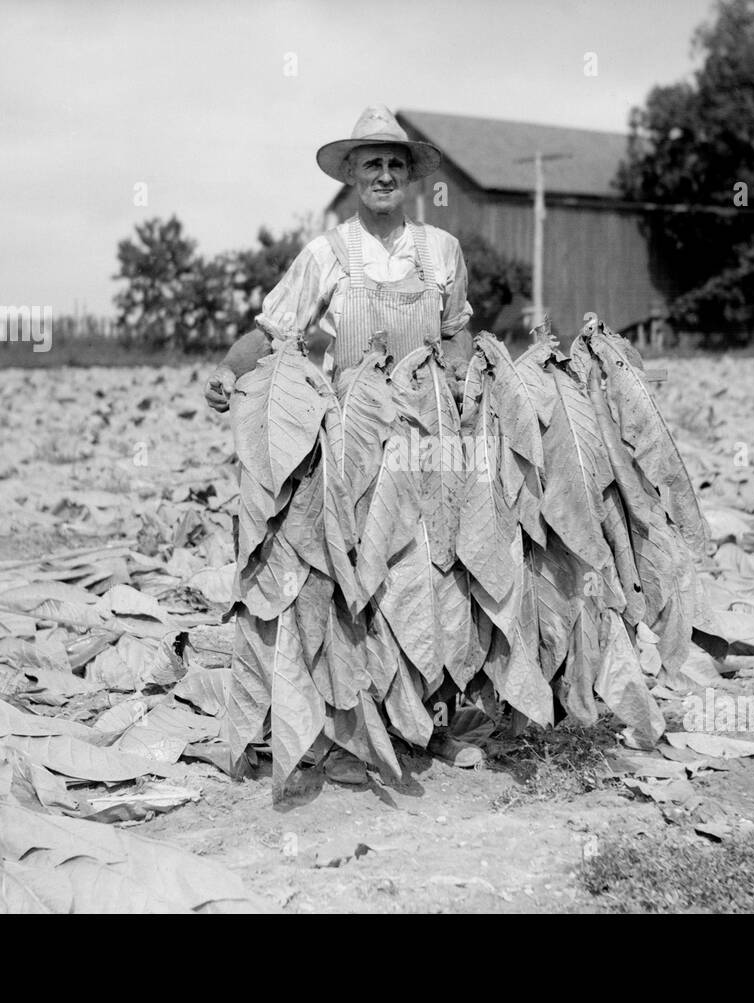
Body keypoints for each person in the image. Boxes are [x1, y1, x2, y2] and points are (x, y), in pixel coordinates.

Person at [205, 106, 481, 785]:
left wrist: (471, 384)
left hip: (427, 435)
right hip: (350, 433)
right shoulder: (326, 253)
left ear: (409, 176)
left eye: (395, 163)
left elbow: (457, 333)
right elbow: (272, 331)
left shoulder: (442, 250)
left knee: (433, 575)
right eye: (371, 163)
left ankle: (435, 724)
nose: (384, 174)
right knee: (350, 577)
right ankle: (349, 728)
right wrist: (225, 371)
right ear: (353, 175)